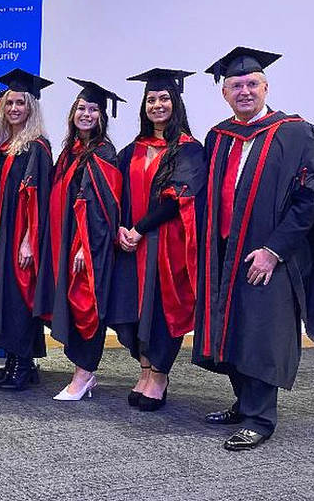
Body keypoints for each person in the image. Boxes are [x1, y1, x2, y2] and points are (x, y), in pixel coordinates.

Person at [193, 47, 314, 451]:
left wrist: (274, 251)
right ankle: (244, 403)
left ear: (265, 87)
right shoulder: (219, 135)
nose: (244, 91)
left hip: (268, 254)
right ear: (225, 93)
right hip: (223, 250)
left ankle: (260, 418)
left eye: (251, 84)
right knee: (229, 329)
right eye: (236, 85)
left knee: (261, 333)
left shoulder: (296, 134)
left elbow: (308, 202)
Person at [111, 68, 206, 412]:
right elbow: (115, 193)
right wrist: (122, 228)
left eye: (163, 98)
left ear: (176, 103)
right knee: (135, 309)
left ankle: (160, 376)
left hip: (166, 245)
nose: (157, 105)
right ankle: (145, 369)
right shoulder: (131, 150)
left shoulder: (189, 149)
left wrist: (138, 229)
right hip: (133, 247)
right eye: (151, 99)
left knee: (162, 310)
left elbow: (177, 196)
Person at [48, 78, 123, 401]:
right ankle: (81, 373)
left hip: (90, 248)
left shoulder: (104, 152)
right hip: (67, 245)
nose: (87, 114)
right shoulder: (70, 151)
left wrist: (83, 245)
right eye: (82, 107)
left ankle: (84, 374)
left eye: (93, 109)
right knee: (73, 304)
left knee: (87, 305)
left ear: (102, 116)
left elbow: (98, 207)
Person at [0, 68, 54, 392]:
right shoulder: (6, 145)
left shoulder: (36, 147)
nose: (13, 109)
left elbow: (38, 198)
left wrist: (28, 241)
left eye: (20, 103)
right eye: (9, 103)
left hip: (21, 236)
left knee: (19, 297)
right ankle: (15, 359)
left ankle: (23, 363)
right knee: (7, 298)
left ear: (31, 108)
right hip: (2, 235)